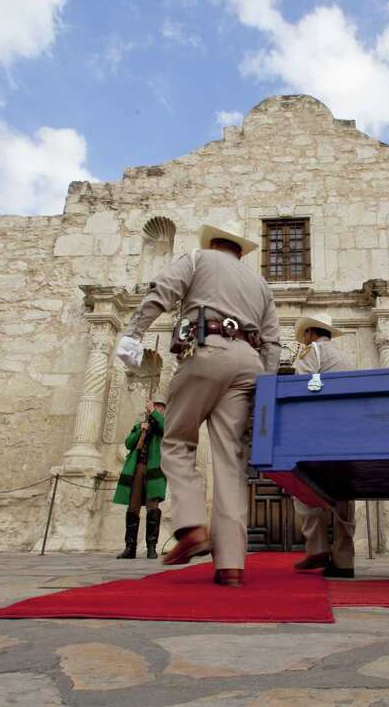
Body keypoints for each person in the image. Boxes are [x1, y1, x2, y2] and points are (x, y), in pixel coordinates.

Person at [114, 224, 281, 587]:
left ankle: (190, 526)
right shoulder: (261, 285)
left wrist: (133, 334)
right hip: (248, 364)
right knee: (232, 462)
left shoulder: (197, 258)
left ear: (213, 245)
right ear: (239, 252)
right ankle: (231, 564)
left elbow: (162, 292)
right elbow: (272, 343)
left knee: (176, 441)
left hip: (206, 351)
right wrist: (266, 387)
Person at [290, 312, 357, 579]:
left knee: (304, 487)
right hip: (347, 431)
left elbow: (300, 386)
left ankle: (317, 546)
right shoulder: (346, 357)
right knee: (344, 496)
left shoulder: (312, 352)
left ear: (310, 333)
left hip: (321, 430)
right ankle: (344, 560)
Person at [112, 395, 168, 560]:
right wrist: (142, 430)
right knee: (133, 507)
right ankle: (130, 548)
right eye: (154, 406)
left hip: (154, 471)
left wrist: (154, 413)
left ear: (163, 409)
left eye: (159, 407)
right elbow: (129, 444)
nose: (155, 409)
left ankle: (152, 547)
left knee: (153, 507)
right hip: (137, 469)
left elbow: (165, 428)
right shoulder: (139, 426)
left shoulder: (164, 427)